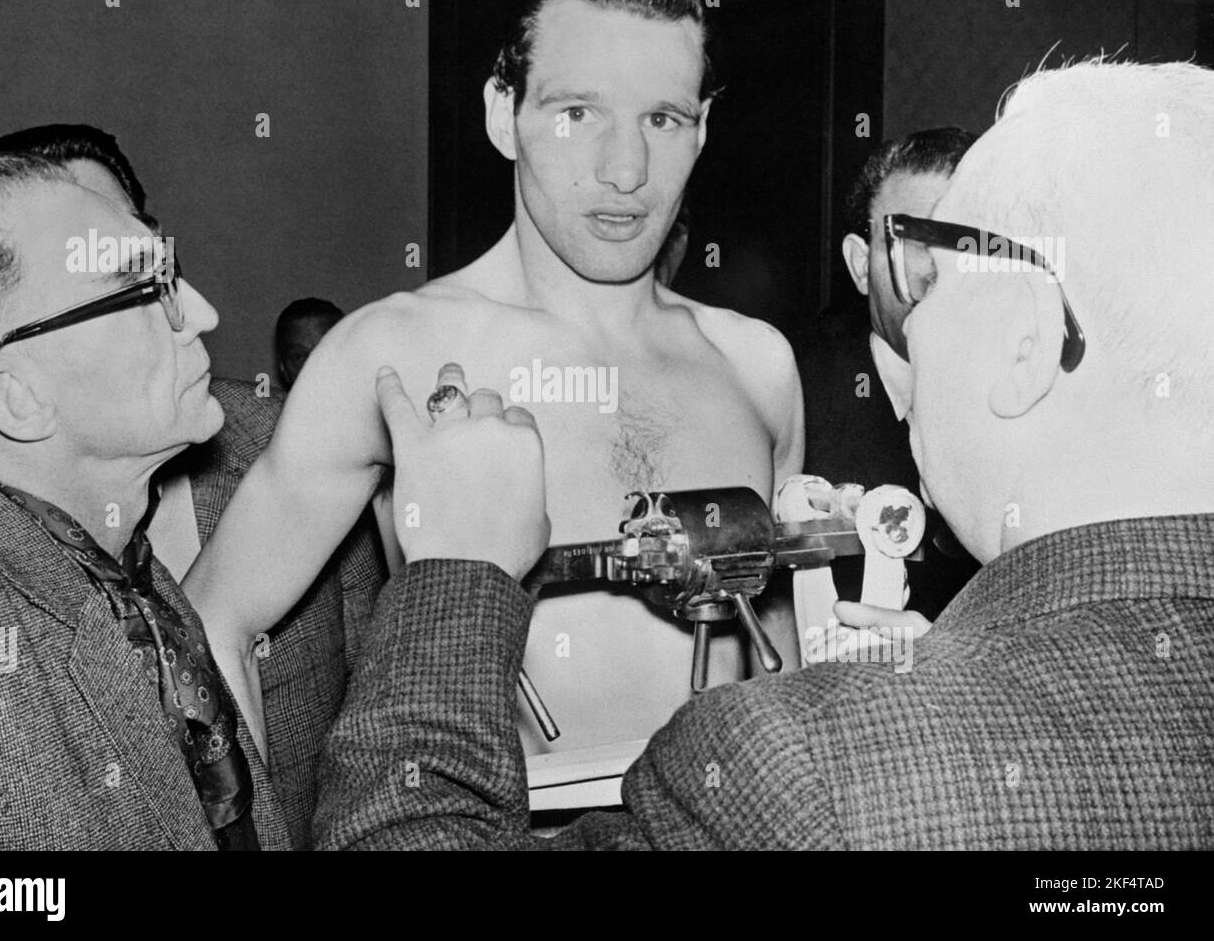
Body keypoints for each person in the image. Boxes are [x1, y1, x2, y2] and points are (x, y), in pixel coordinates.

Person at [314, 59, 1214, 849]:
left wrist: (456, 574)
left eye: (933, 274)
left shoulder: (801, 770)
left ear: (1027, 343)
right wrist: (959, 679)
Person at [184, 0, 804, 756]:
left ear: (702, 130)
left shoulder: (757, 364)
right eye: (577, 112)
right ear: (501, 114)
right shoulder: (392, 352)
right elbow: (210, 627)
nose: (626, 170)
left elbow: (782, 644)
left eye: (663, 119)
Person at [0, 123, 386, 848]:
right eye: (114, 280)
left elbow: (370, 687)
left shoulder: (290, 445)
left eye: (150, 261)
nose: (196, 311)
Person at [795, 128, 981, 646]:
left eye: (965, 239)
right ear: (860, 265)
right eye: (918, 242)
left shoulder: (1044, 402)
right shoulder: (793, 397)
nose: (940, 269)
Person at [276, 297, 344, 388]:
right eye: (299, 357)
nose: (313, 368)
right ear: (282, 366)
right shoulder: (259, 400)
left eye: (325, 352)